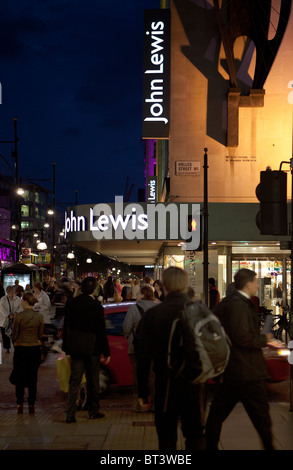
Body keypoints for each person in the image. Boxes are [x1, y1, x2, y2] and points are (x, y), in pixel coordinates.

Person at [205, 268, 274, 450]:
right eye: (256, 282)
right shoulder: (239, 305)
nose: (258, 285)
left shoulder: (231, 303)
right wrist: (263, 339)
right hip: (247, 371)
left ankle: (209, 446)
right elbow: (242, 337)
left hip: (233, 371)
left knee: (216, 415)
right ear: (248, 283)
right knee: (262, 419)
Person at [137, 267, 205, 451]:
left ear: (164, 285)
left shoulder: (154, 314)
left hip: (165, 385)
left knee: (166, 439)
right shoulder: (199, 312)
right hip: (194, 384)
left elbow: (143, 357)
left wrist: (143, 391)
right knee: (195, 436)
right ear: (185, 285)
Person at [63, 276, 110, 423]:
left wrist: (66, 346)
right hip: (93, 347)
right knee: (93, 380)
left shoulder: (72, 303)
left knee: (75, 381)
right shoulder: (96, 307)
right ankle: (93, 410)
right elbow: (101, 331)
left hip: (76, 346)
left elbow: (66, 327)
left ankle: (70, 414)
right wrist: (106, 351)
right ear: (94, 289)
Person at [123, 285, 156, 411]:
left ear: (143, 295)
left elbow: (127, 328)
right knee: (152, 375)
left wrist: (131, 337)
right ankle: (153, 403)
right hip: (154, 348)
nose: (136, 296)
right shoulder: (158, 307)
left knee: (137, 376)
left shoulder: (134, 308)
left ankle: (139, 404)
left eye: (138, 294)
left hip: (136, 347)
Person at [12, 292, 44, 414]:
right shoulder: (39, 316)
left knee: (19, 376)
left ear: (26, 302)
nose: (21, 302)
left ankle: (19, 402)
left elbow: (15, 334)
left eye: (22, 301)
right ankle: (31, 403)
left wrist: (17, 340)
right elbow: (40, 333)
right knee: (32, 376)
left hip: (20, 348)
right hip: (34, 348)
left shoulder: (19, 316)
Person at [0, 285, 23, 354]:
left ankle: (16, 346)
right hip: (5, 319)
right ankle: (7, 347)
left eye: (13, 292)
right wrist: (8, 315)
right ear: (7, 292)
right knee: (5, 334)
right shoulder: (3, 299)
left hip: (15, 318)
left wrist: (16, 312)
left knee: (15, 333)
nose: (12, 294)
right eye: (11, 293)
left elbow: (21, 306)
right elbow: (2, 309)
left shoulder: (18, 299)